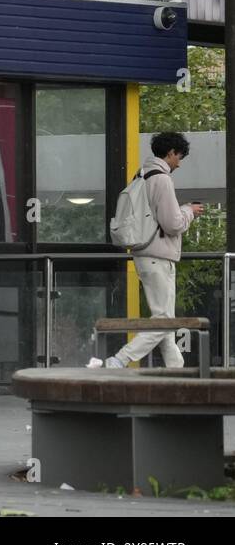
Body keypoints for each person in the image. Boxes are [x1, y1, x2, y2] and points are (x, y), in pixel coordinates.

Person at [91, 131, 203, 369]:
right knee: (163, 320)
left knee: (166, 320)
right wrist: (189, 211)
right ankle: (117, 361)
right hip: (158, 256)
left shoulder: (140, 175)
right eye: (179, 157)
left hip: (145, 254)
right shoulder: (161, 179)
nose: (179, 163)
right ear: (171, 152)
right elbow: (173, 224)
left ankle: (176, 369)